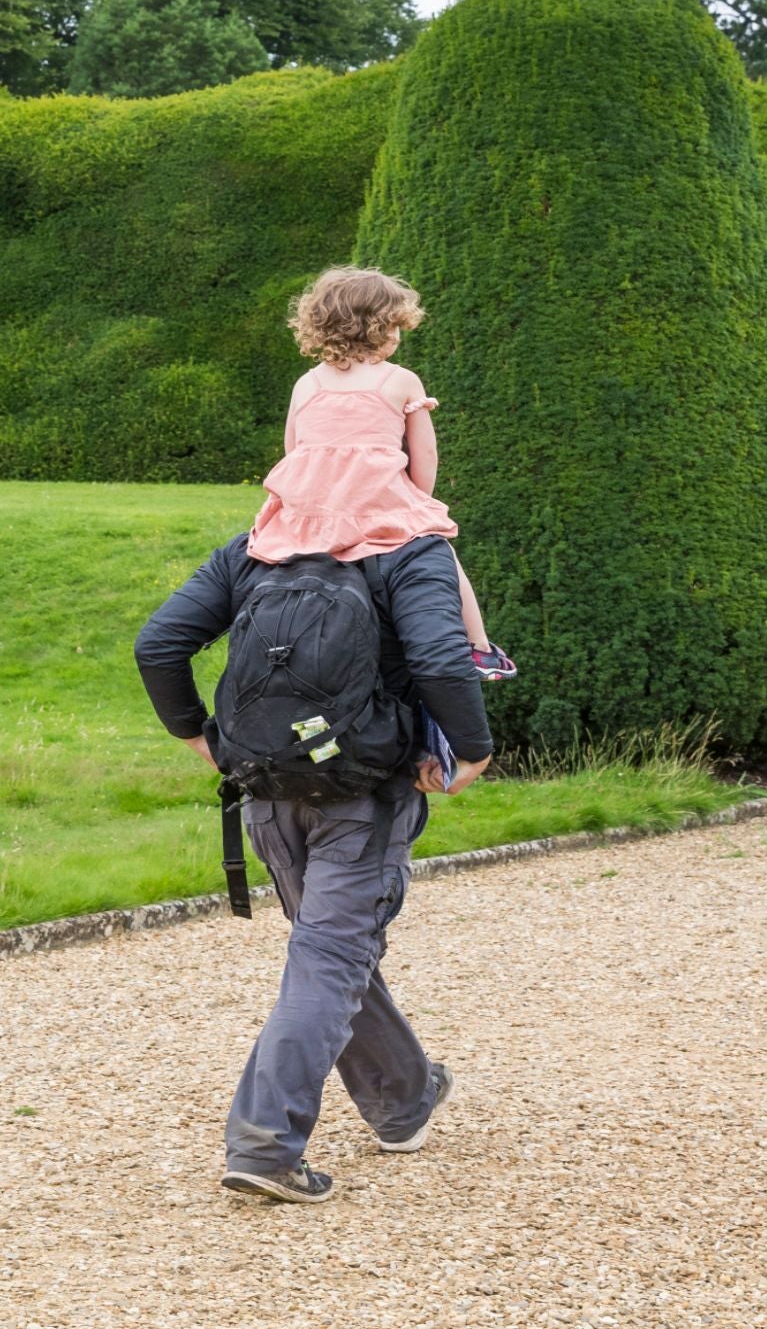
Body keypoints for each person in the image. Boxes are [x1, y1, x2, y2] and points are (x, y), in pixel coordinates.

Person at [134, 502, 495, 1204]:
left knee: (329, 954)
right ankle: (266, 1145)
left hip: (268, 790)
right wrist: (472, 751)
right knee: (329, 960)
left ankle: (404, 1098)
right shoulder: (406, 548)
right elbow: (439, 659)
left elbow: (159, 645)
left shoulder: (260, 545)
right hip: (364, 793)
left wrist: (196, 735)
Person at [249, 265, 517, 680]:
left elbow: (293, 451)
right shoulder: (401, 379)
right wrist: (418, 505)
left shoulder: (306, 383)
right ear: (380, 327)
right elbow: (424, 456)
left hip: (312, 511)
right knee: (440, 550)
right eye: (396, 326)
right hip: (376, 504)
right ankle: (479, 648)